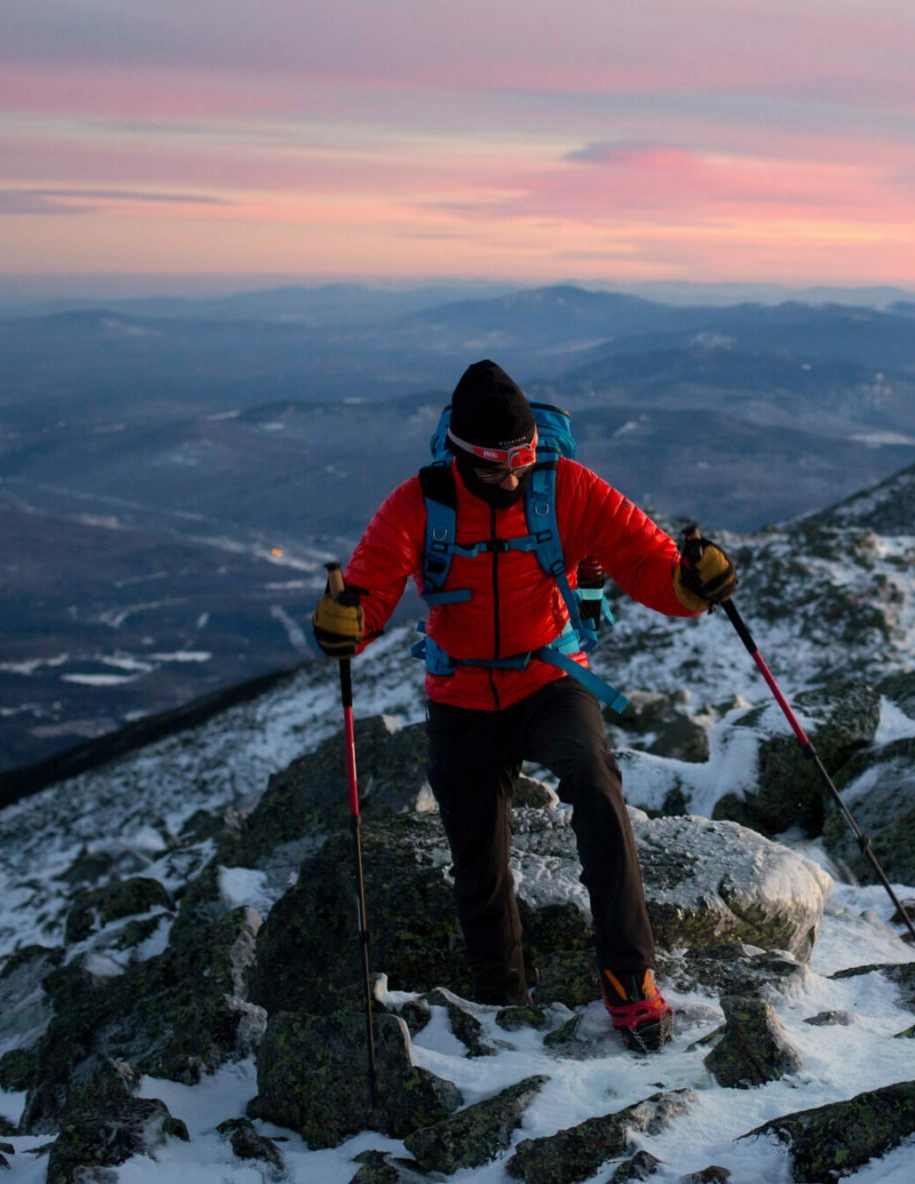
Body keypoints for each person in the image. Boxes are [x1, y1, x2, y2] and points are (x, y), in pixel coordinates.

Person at [310, 359, 737, 1053]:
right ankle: (500, 996)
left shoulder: (565, 487)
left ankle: (630, 978)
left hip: (550, 678)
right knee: (477, 851)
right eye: (496, 465)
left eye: (522, 460)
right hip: (462, 693)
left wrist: (694, 584)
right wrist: (345, 624)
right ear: (460, 455)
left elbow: (645, 560)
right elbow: (370, 592)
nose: (512, 477)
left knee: (596, 785)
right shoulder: (417, 504)